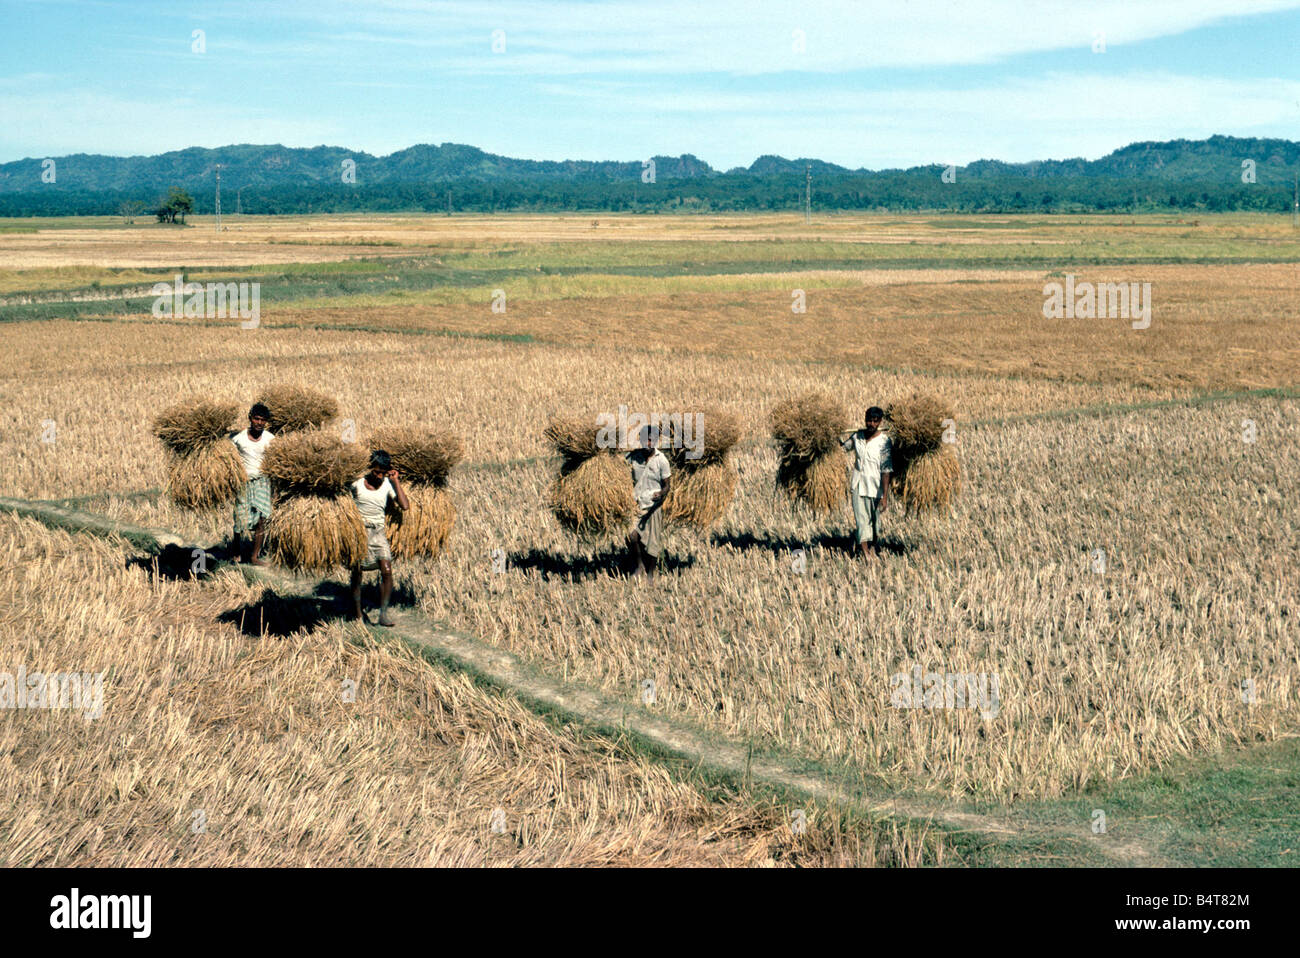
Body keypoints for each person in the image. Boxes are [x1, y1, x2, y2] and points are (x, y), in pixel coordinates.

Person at [350, 450, 409, 626]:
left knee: (387, 569)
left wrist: (395, 480)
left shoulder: (387, 485)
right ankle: (358, 612)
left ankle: (383, 613)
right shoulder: (357, 484)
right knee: (357, 572)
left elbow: (405, 506)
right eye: (376, 472)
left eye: (383, 472)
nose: (379, 476)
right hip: (359, 532)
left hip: (378, 533)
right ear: (370, 468)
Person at [840, 406, 893, 561]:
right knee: (862, 521)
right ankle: (866, 554)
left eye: (875, 421)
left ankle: (870, 548)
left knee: (875, 525)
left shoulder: (884, 442)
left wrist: (884, 496)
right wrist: (832, 434)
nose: (871, 424)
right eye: (869, 420)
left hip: (875, 487)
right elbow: (843, 449)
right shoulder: (857, 437)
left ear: (880, 422)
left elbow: (886, 470)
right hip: (858, 485)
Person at [230, 403, 275, 565]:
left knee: (262, 518)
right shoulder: (238, 439)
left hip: (263, 482)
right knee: (240, 519)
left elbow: (275, 459)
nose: (259, 422)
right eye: (256, 419)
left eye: (263, 420)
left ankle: (254, 557)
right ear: (250, 418)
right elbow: (229, 459)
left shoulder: (270, 439)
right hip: (243, 482)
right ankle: (236, 551)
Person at [625, 424, 671, 579]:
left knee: (652, 544)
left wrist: (662, 493)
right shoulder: (633, 458)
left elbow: (667, 485)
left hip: (654, 507)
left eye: (651, 440)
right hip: (637, 505)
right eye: (645, 440)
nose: (648, 444)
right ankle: (639, 566)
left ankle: (650, 573)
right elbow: (621, 470)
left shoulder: (662, 461)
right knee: (632, 536)